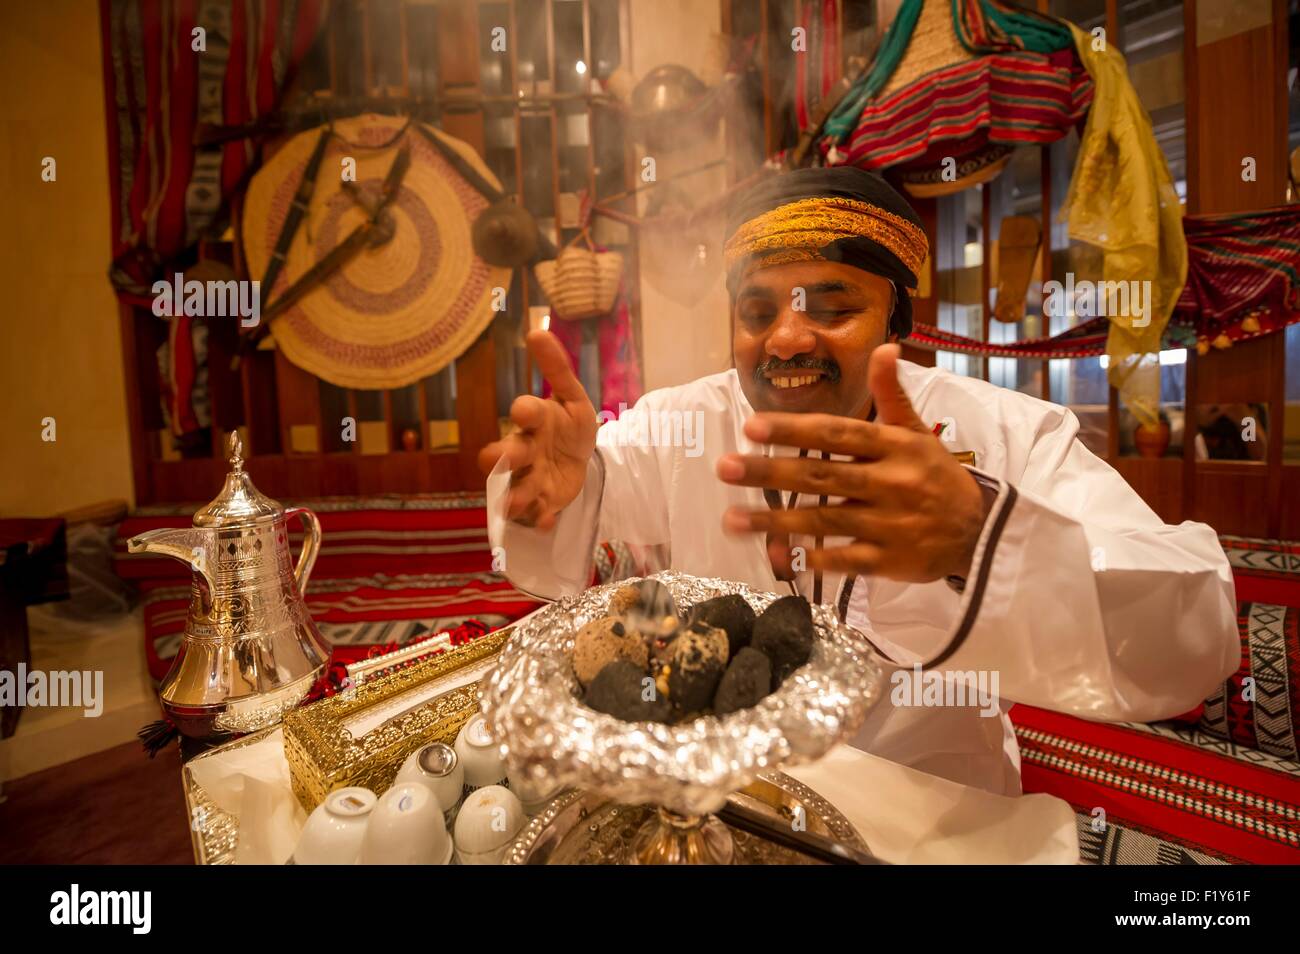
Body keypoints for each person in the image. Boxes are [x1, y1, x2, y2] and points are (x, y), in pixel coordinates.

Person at [480, 167, 1238, 795]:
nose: (785, 337)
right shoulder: (681, 421)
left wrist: (978, 538)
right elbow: (592, 505)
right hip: (732, 797)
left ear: (894, 321)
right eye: (757, 311)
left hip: (931, 803)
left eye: (832, 307)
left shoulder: (1004, 433)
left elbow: (1194, 631)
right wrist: (566, 488)